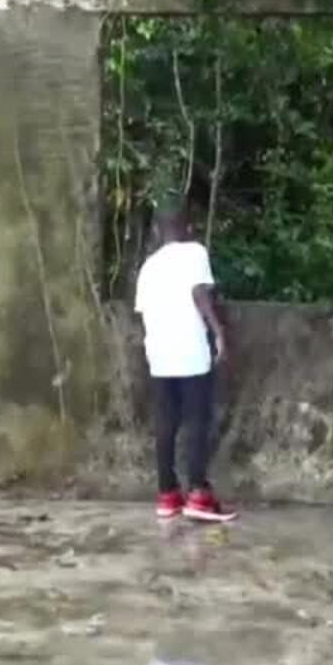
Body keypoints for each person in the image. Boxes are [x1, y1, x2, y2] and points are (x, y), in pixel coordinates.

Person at [133, 208, 237, 522]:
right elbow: (198, 292)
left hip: (159, 354)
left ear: (157, 233)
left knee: (166, 423)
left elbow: (143, 313)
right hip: (190, 351)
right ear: (187, 227)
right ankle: (199, 494)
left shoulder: (148, 267)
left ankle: (167, 494)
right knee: (197, 421)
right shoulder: (195, 252)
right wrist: (219, 333)